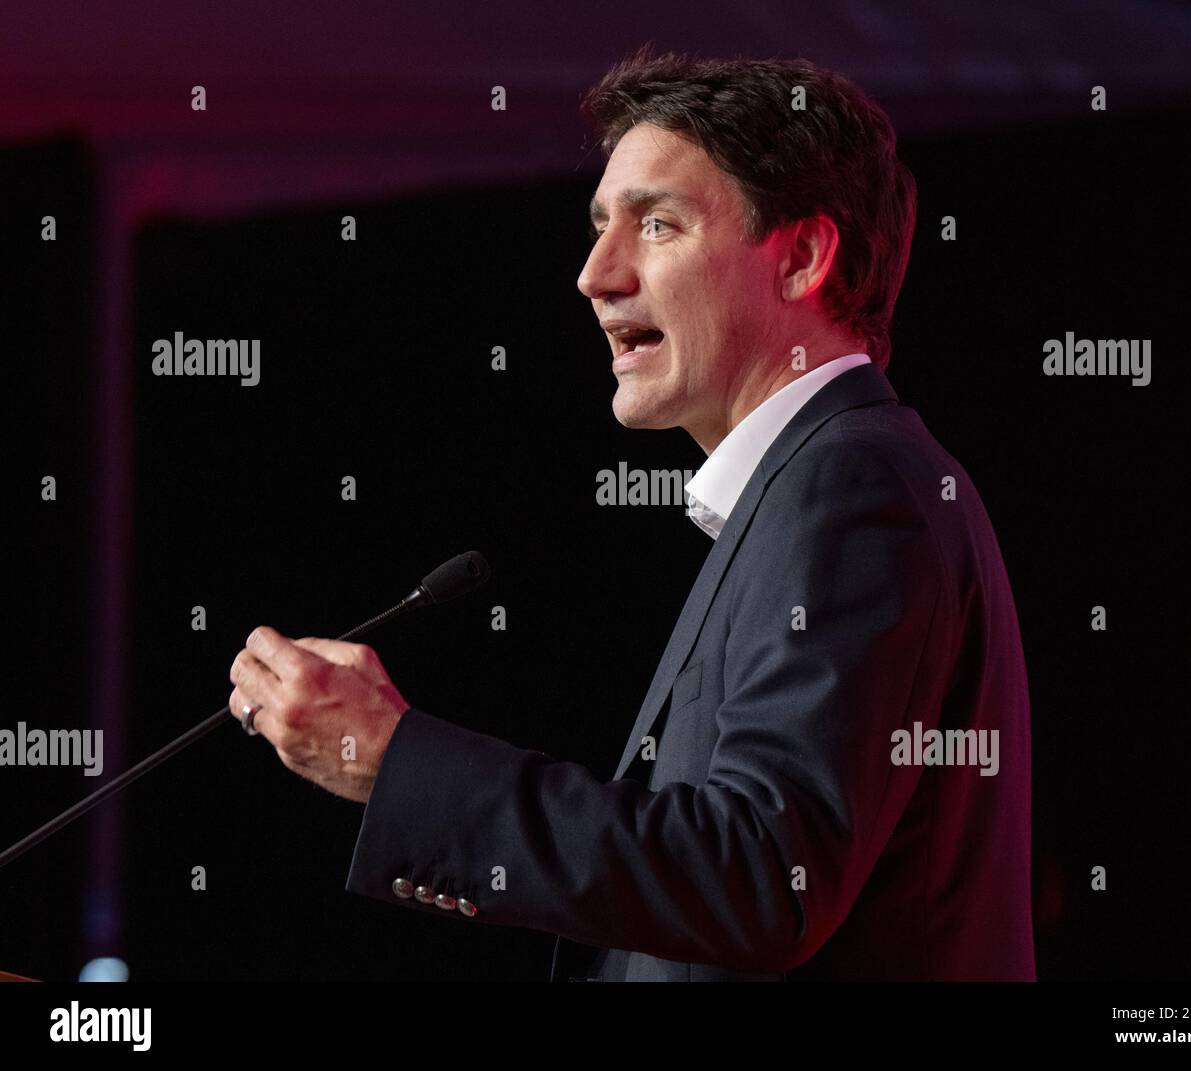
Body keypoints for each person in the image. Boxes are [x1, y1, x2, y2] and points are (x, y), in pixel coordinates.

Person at [227, 46, 1036, 982]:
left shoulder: (852, 484)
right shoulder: (824, 484)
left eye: (657, 224)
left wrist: (394, 758)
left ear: (805, 257)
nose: (594, 273)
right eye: (599, 225)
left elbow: (763, 875)